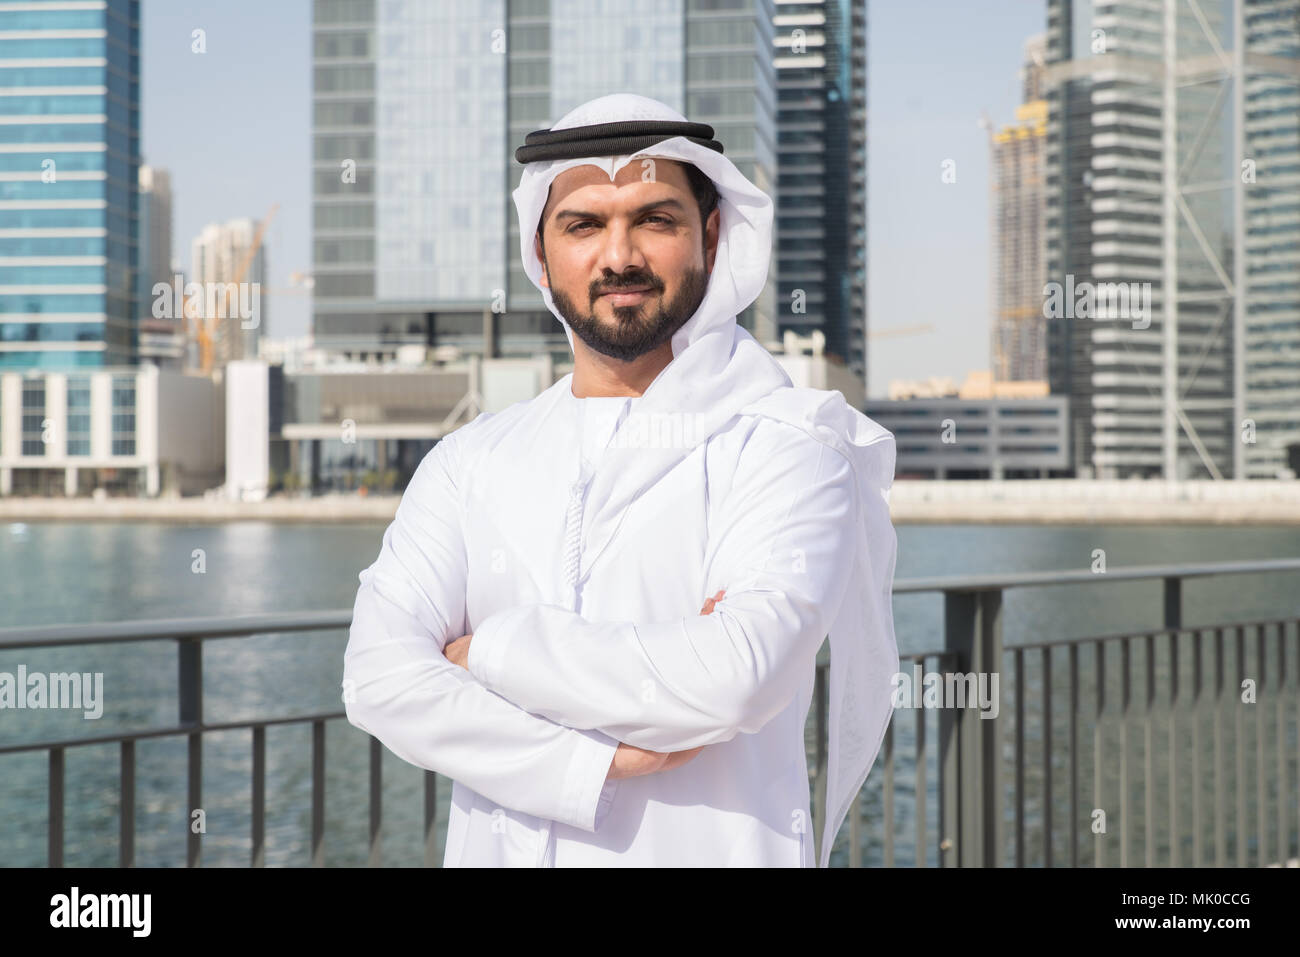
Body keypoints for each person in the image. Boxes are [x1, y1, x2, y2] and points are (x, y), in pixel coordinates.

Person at [341, 93, 899, 867]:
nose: (620, 256)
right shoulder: (471, 461)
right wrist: (589, 765)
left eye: (655, 219)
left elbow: (736, 676)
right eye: (584, 224)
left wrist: (484, 655)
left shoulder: (789, 445)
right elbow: (378, 679)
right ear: (541, 251)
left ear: (710, 235)